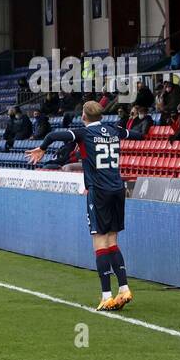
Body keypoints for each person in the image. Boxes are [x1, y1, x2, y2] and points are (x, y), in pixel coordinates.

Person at [26, 101, 133, 311]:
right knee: (112, 240)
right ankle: (124, 288)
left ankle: (106, 296)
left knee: (100, 242)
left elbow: (53, 135)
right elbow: (135, 134)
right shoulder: (114, 130)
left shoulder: (83, 133)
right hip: (117, 188)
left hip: (99, 191)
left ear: (84, 115)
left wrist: (42, 148)